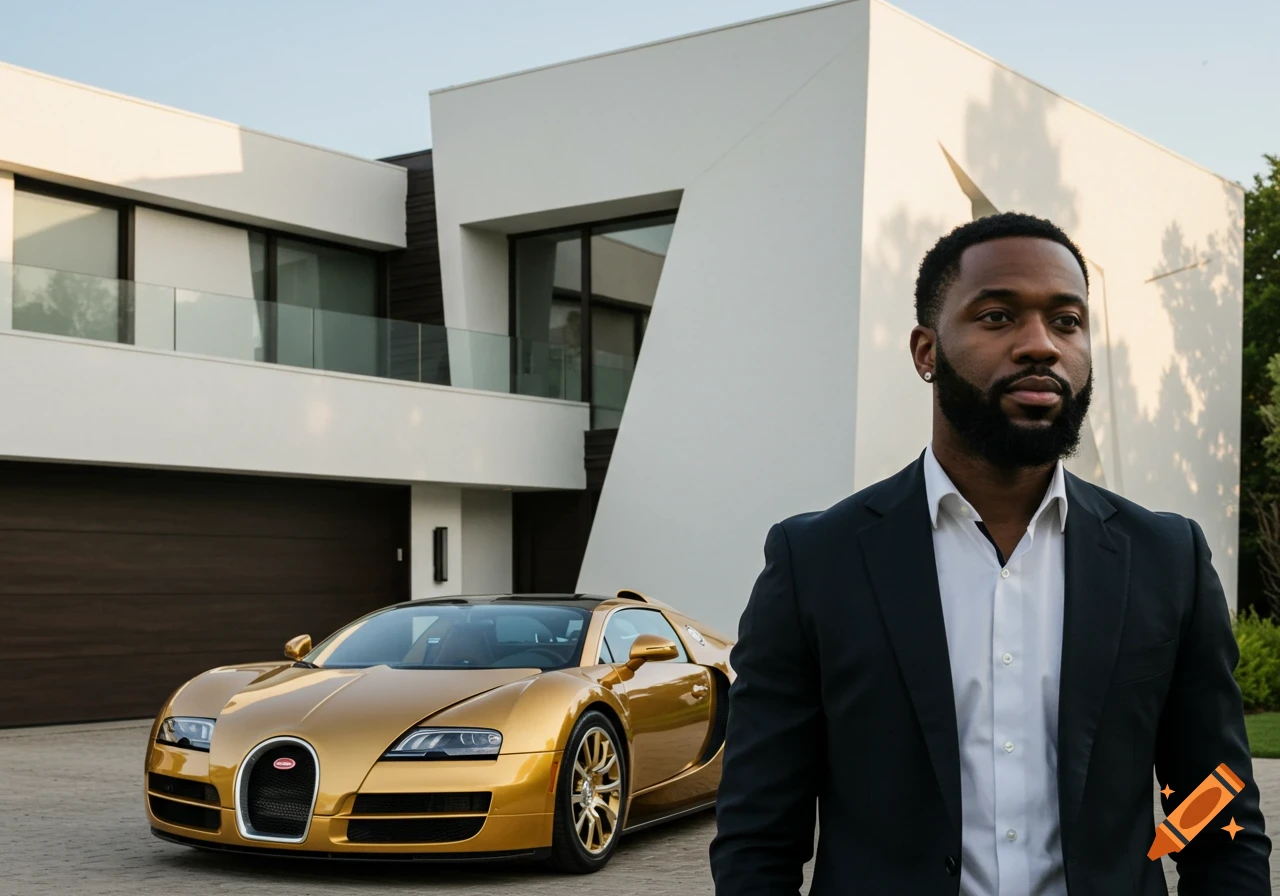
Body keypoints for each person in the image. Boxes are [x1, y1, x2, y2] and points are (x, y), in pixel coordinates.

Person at [709, 212, 1271, 895]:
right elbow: (757, 840)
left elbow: (1213, 809)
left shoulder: (1165, 560)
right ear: (925, 351)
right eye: (998, 316)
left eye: (1067, 321)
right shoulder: (816, 562)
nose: (1041, 345)